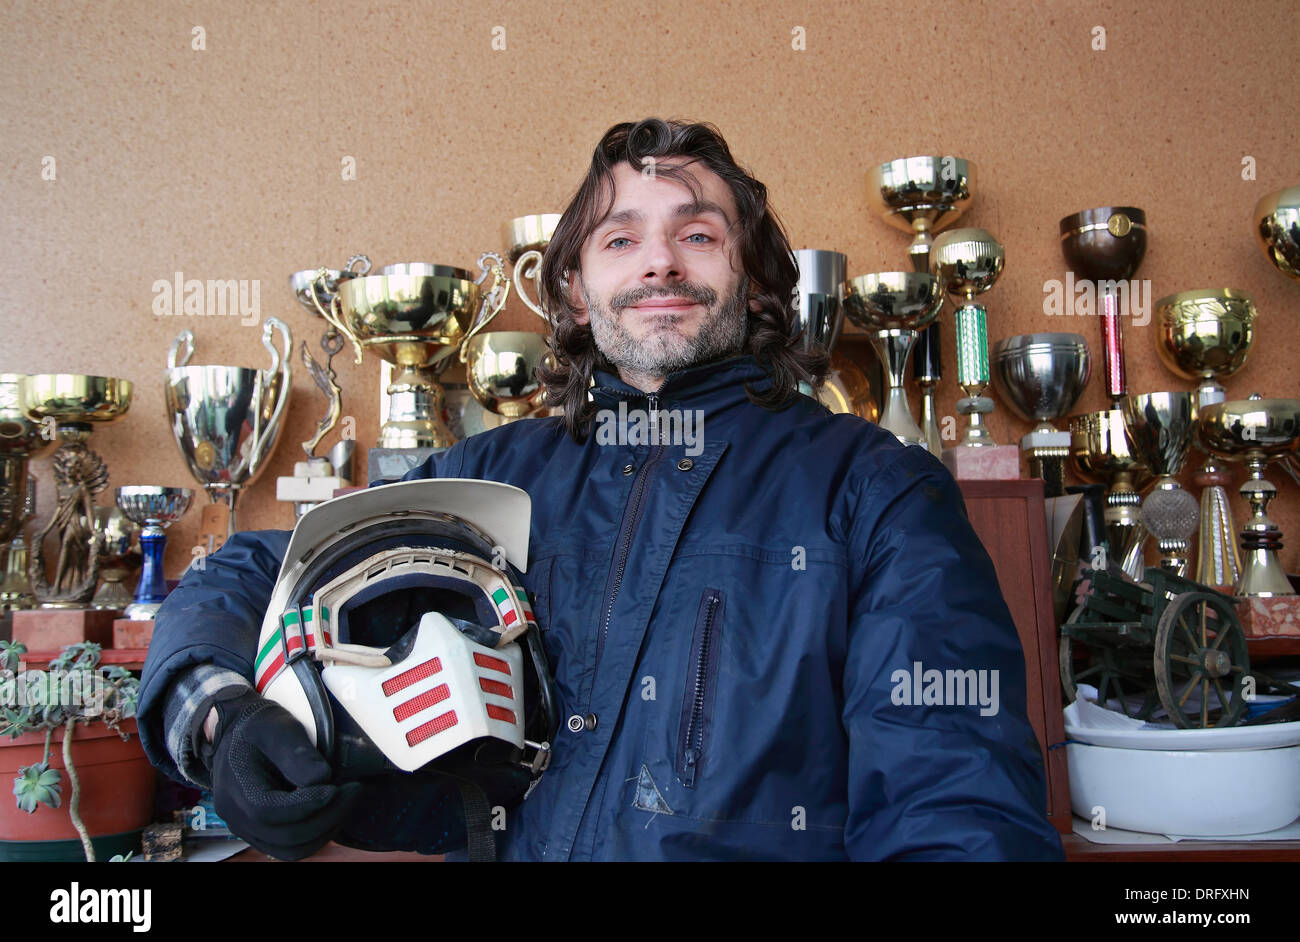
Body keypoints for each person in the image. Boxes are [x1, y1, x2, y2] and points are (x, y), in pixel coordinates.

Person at [138, 117, 1065, 861]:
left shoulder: (877, 491)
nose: (660, 263)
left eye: (698, 235)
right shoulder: (494, 476)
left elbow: (953, 802)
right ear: (576, 292)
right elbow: (257, 569)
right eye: (623, 239)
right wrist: (220, 715)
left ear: (755, 282)